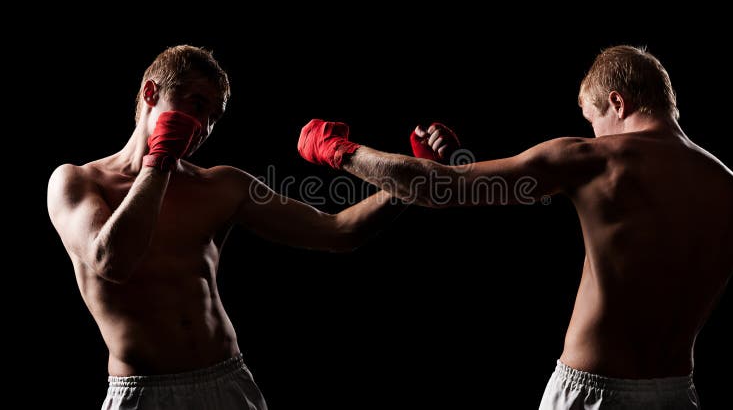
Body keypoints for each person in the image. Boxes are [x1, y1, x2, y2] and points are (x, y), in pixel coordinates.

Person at [297, 45, 733, 409]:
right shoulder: (732, 189)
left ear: (617, 101)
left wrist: (340, 150)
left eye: (594, 122)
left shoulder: (596, 159)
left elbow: (441, 189)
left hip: (593, 394)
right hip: (678, 393)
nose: (594, 135)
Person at [46, 45, 457, 409]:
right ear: (151, 94)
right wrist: (159, 164)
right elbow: (111, 259)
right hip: (142, 393)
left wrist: (417, 177)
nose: (203, 126)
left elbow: (339, 231)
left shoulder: (221, 185)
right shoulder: (77, 182)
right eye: (194, 103)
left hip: (228, 382)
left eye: (213, 116)